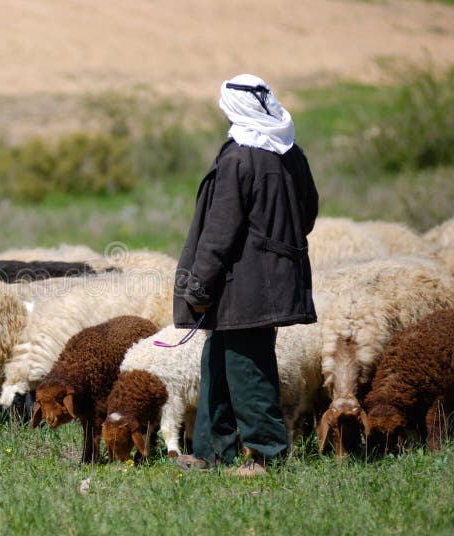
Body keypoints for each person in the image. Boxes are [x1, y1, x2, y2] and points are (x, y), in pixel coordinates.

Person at [172, 74, 318, 477]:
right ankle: (210, 452)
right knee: (218, 362)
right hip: (264, 282)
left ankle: (267, 455)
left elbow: (219, 233)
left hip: (244, 285)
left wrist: (198, 286)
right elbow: (307, 215)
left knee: (248, 369)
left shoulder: (238, 158)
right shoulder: (290, 153)